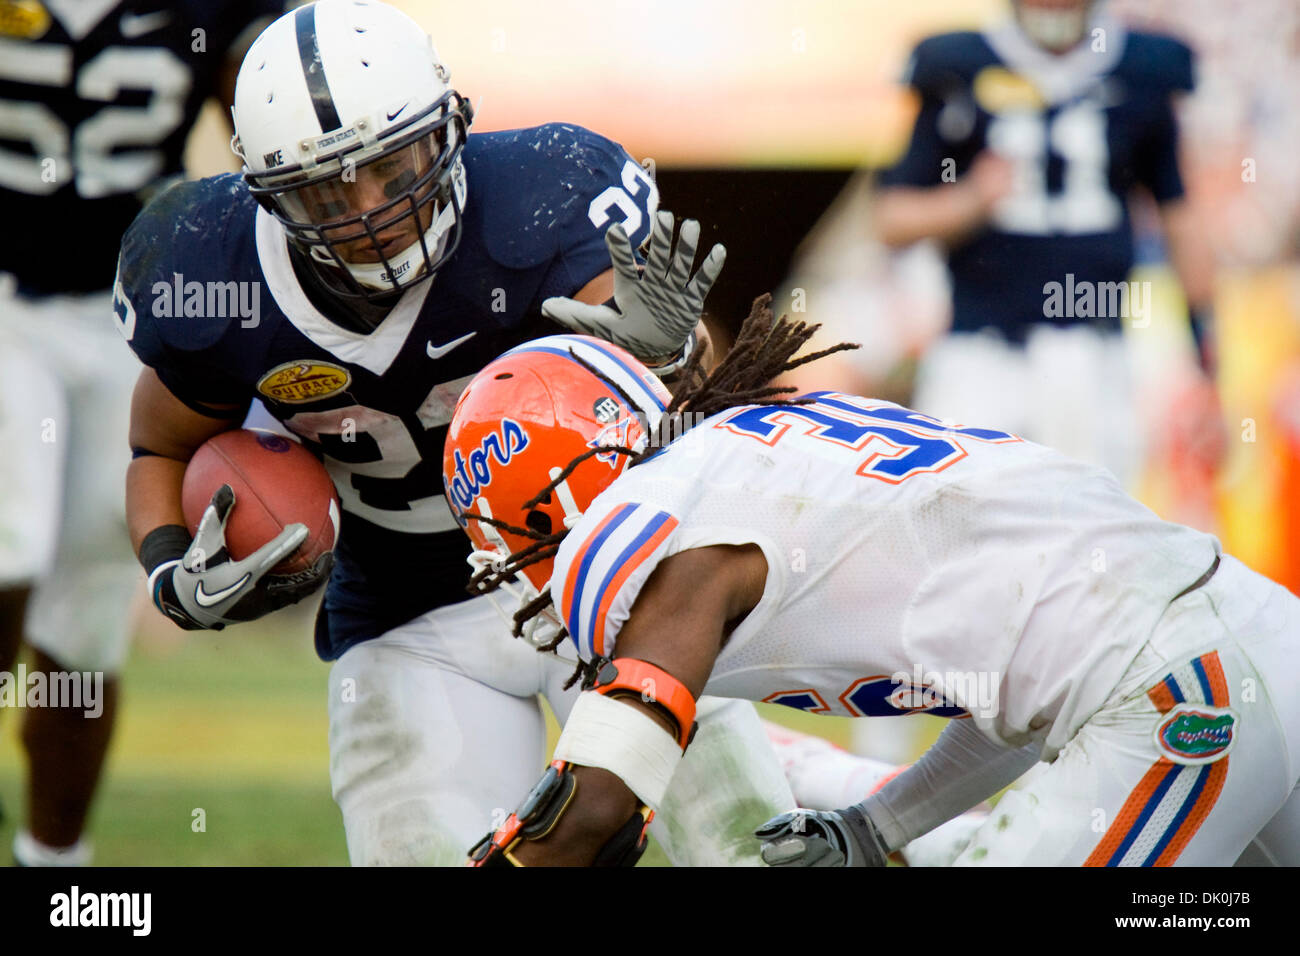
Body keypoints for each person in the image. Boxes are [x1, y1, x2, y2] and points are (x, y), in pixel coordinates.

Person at [113, 0, 799, 865]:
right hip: (407, 615)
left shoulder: (546, 197)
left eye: (394, 169)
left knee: (751, 847)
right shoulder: (210, 268)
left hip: (603, 579)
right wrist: (172, 570)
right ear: (268, 197)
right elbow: (158, 445)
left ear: (449, 129)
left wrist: (673, 364)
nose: (370, 211)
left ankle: (847, 800)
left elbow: (697, 412)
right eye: (326, 190)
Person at [446, 297, 1300, 867]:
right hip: (1255, 639)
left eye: (515, 553)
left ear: (550, 508)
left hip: (1182, 695)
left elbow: (590, 814)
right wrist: (874, 827)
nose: (526, 584)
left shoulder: (656, 539)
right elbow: (1022, 688)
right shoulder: (759, 454)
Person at [0, 0, 286, 867]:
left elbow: (276, 127)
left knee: (87, 619)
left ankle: (57, 866)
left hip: (127, 316)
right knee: (7, 538)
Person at [871, 0, 1217, 490]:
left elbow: (1181, 222)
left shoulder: (1144, 69)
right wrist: (971, 200)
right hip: (981, 351)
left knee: (1095, 531)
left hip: (1095, 353)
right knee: (962, 517)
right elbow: (890, 217)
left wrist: (1207, 361)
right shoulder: (955, 67)